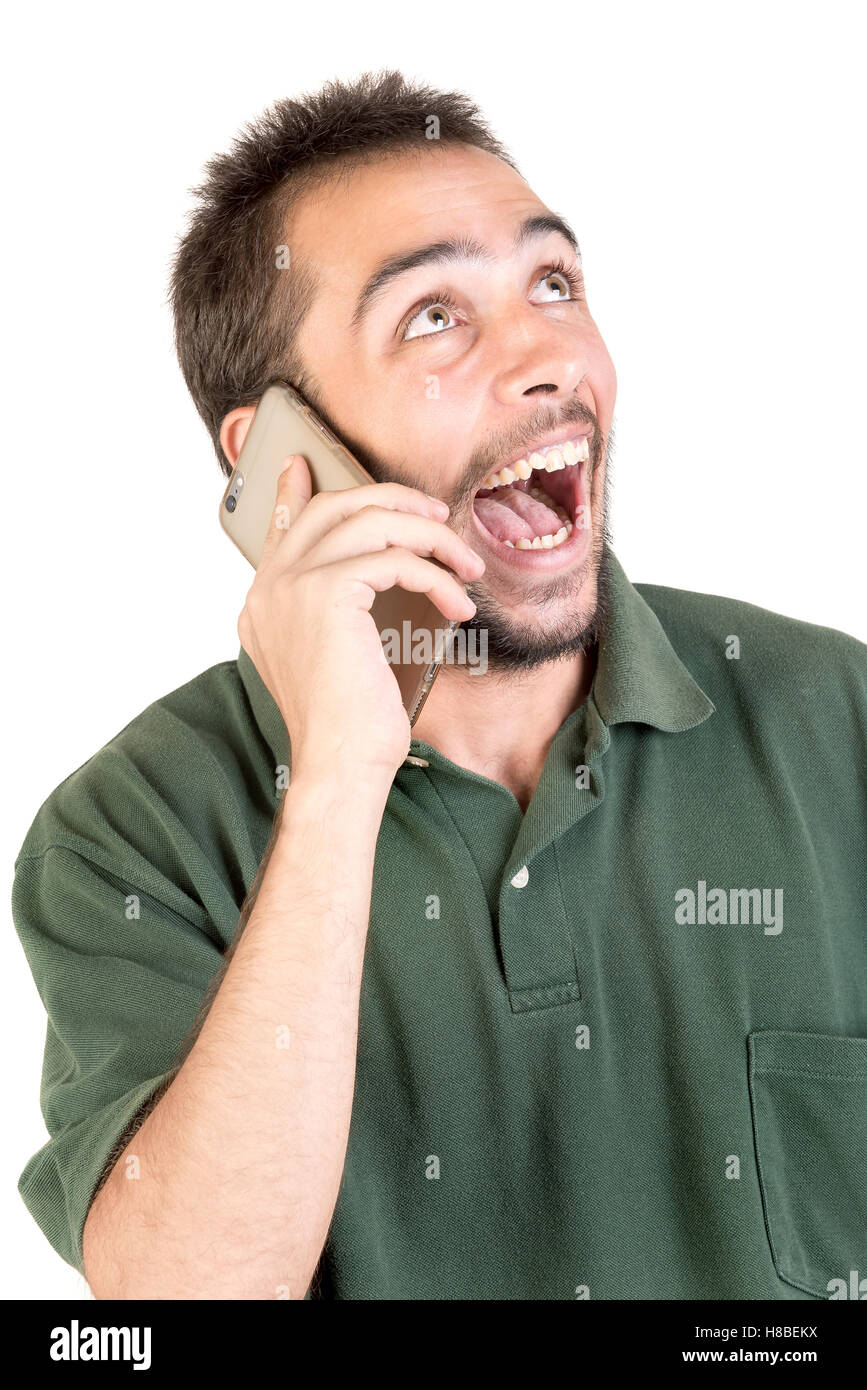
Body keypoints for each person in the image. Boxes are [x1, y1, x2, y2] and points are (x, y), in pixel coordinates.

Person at [13, 70, 866, 1300]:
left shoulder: (835, 718)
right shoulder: (128, 838)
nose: (548, 359)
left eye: (554, 284)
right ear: (280, 465)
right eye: (433, 317)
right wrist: (339, 781)